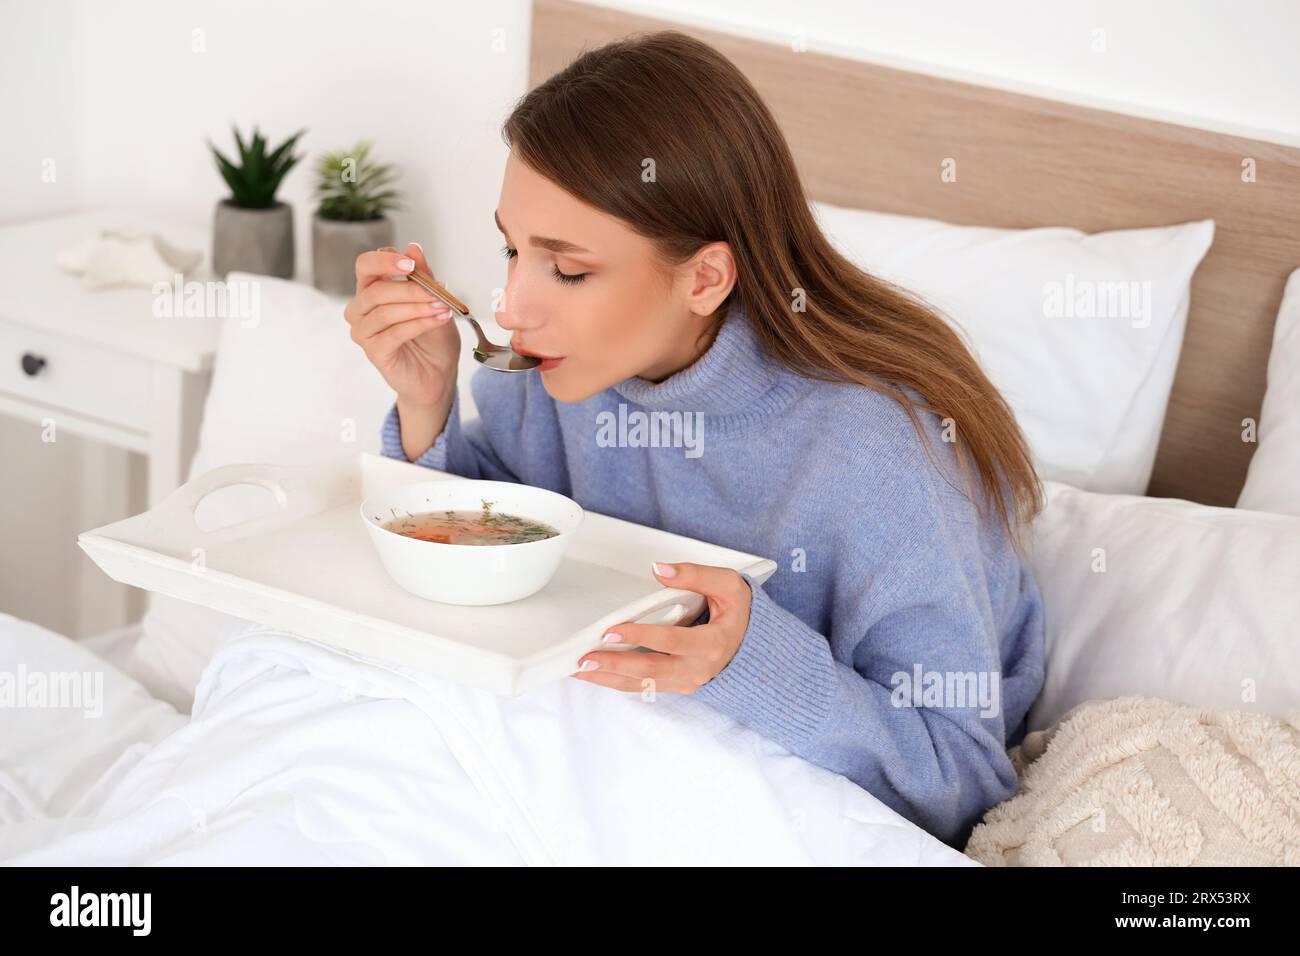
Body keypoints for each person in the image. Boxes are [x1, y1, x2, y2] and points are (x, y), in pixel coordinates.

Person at [344, 31, 1046, 849]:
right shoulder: (541, 374)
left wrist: (750, 658)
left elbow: (960, 780)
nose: (511, 307)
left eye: (567, 269)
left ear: (705, 278)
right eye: (512, 248)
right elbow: (494, 548)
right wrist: (425, 404)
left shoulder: (877, 453)